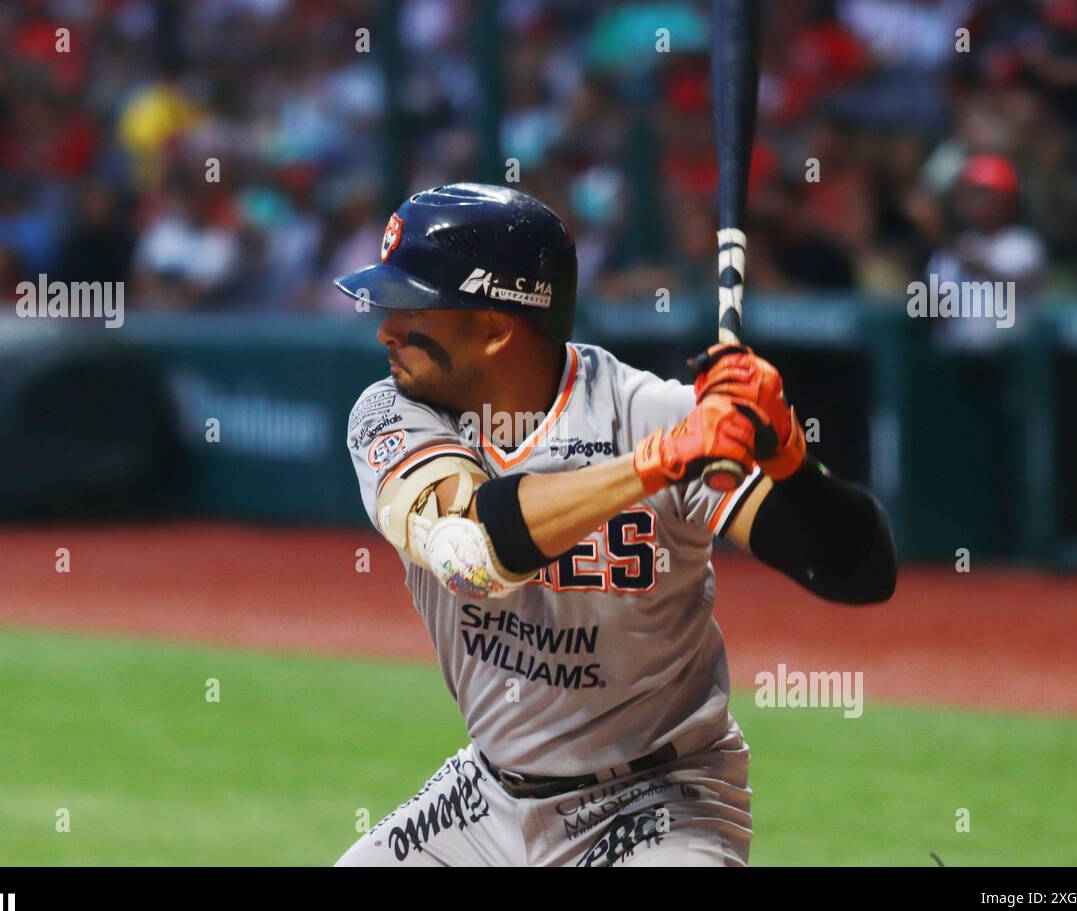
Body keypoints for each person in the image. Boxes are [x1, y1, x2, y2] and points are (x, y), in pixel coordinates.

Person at [334, 183, 896, 867]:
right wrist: (660, 464)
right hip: (485, 800)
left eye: (412, 305)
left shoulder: (648, 413)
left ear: (494, 328)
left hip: (661, 801)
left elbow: (858, 574)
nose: (385, 328)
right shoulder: (391, 413)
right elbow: (468, 551)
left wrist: (788, 460)